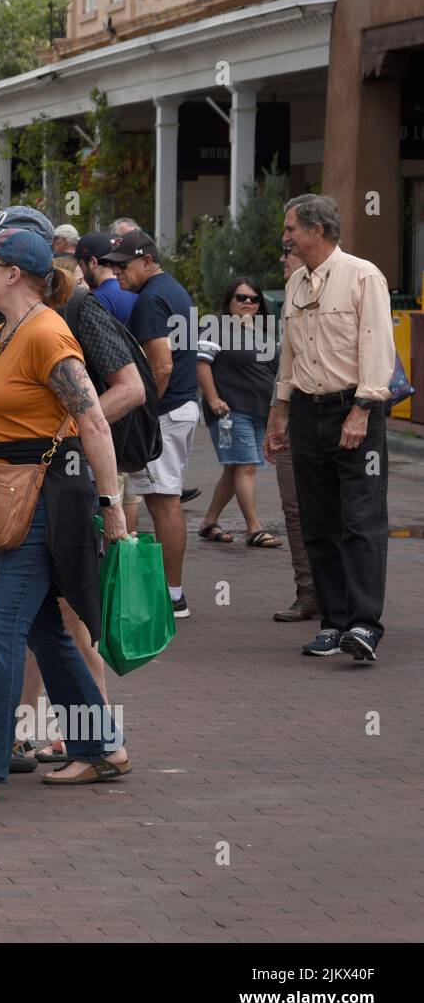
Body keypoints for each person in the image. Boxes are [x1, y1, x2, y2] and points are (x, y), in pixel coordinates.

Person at [0, 226, 131, 805]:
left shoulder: (46, 332)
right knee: (42, 629)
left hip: (39, 500)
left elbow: (91, 420)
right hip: (3, 497)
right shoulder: (1, 333)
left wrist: (112, 507)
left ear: (14, 274)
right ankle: (100, 745)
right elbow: (10, 413)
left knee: (5, 630)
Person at [265, 194, 394, 661]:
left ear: (317, 231)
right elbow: (290, 356)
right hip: (305, 411)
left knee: (361, 521)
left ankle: (364, 624)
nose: (286, 236)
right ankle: (333, 623)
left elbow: (377, 346)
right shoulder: (297, 283)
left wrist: (362, 409)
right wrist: (278, 416)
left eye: (291, 227)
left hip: (353, 409)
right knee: (317, 523)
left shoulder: (363, 275)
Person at [101, 229, 196, 618]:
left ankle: (173, 596)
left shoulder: (152, 299)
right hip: (180, 406)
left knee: (164, 501)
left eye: (124, 264)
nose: (118, 272)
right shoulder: (172, 290)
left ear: (147, 260)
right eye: (113, 264)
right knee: (163, 500)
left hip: (167, 410)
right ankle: (172, 592)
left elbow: (162, 365)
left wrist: (143, 411)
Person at [195, 278, 283, 549]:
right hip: (231, 411)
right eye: (241, 297)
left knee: (235, 468)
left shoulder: (266, 331)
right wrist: (213, 399)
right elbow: (202, 363)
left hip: (260, 410)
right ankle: (254, 528)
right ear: (229, 300)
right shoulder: (215, 327)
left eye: (254, 298)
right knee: (246, 466)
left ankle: (209, 521)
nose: (248, 302)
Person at [271, 246, 320, 621]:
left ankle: (339, 593)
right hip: (293, 412)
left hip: (336, 414)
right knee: (293, 508)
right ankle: (308, 591)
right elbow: (285, 366)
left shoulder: (352, 283)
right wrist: (276, 416)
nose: (283, 258)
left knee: (334, 510)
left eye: (290, 250)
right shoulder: (291, 295)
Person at [74, 231, 137, 325]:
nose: (81, 273)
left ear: (93, 262)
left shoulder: (98, 299)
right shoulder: (134, 289)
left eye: (81, 265)